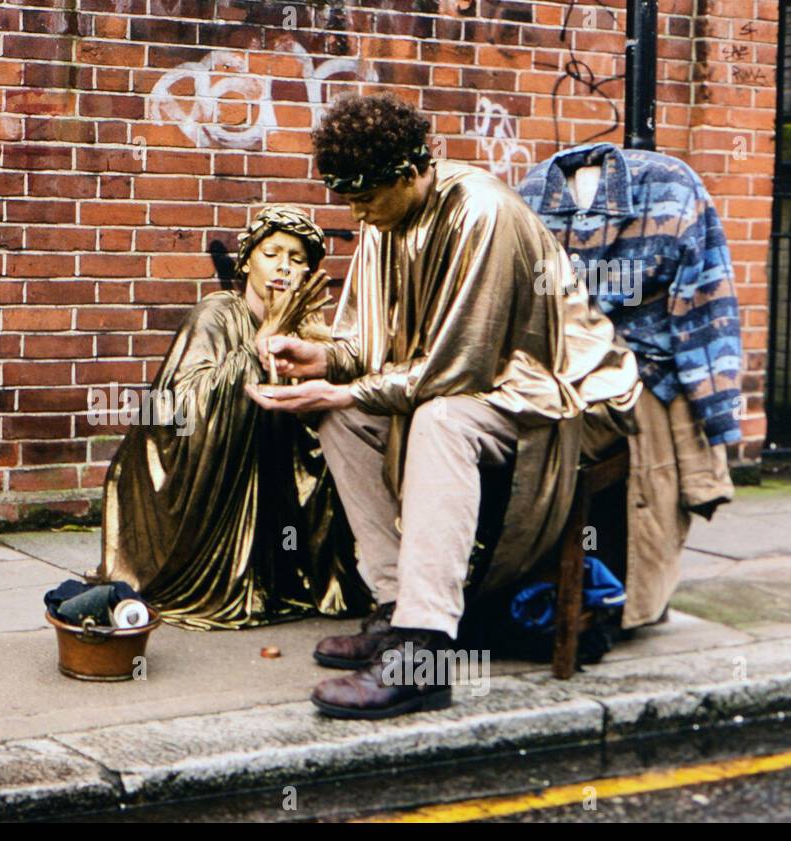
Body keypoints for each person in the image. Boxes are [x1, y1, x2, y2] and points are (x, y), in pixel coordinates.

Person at [246, 94, 641, 718]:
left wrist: (347, 384)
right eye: (348, 199)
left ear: (411, 173)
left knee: (440, 419)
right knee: (340, 415)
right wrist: (323, 362)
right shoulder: (386, 219)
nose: (357, 214)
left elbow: (459, 370)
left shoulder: (483, 212)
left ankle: (426, 652)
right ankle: (397, 610)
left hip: (562, 391)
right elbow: (368, 346)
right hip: (471, 382)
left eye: (367, 198)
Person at [94, 205, 369, 631]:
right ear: (246, 261)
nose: (283, 267)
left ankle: (298, 570)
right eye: (272, 253)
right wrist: (259, 346)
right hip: (200, 473)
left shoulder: (311, 333)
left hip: (272, 481)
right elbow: (180, 409)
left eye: (297, 260)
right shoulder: (216, 314)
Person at [518, 143, 740, 628]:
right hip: (551, 376)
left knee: (649, 454)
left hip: (643, 375)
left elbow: (705, 303)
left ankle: (621, 601)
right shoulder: (528, 196)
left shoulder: (671, 188)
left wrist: (714, 408)